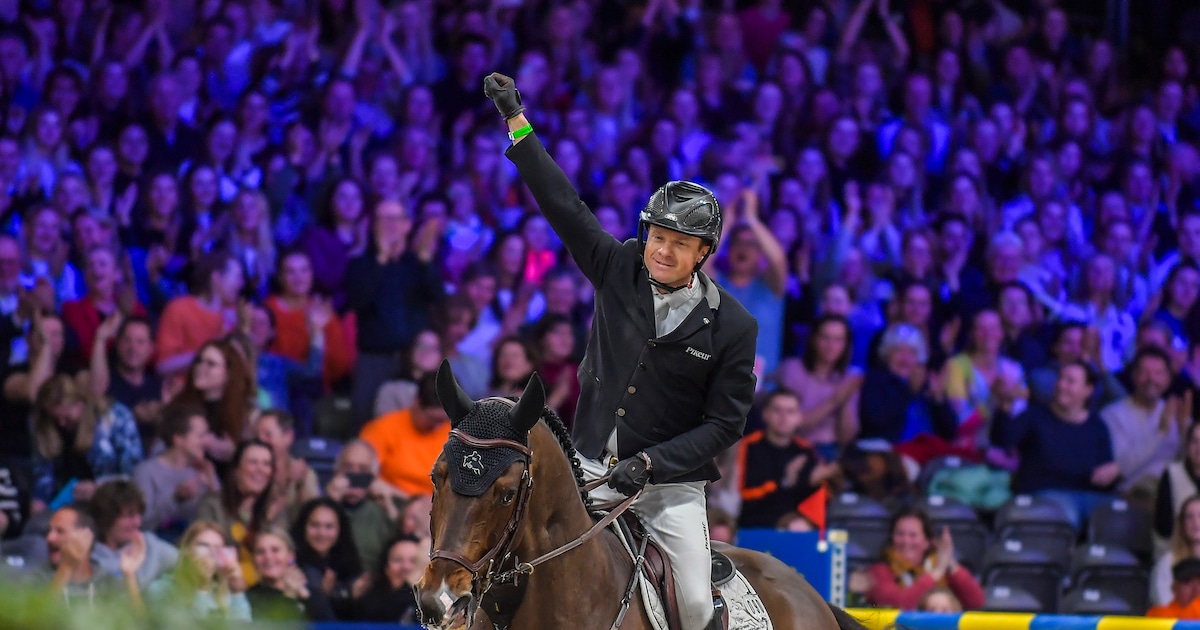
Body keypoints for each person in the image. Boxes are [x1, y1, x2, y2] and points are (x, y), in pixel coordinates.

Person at [487, 71, 759, 630]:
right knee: (500, 560)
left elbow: (725, 425)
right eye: (657, 236)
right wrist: (517, 121)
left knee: (696, 604)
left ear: (703, 252)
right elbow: (564, 206)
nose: (662, 251)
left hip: (667, 491)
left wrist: (653, 464)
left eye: (679, 244)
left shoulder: (734, 325)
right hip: (583, 468)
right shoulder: (618, 268)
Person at [736, 388, 833, 530]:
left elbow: (813, 497)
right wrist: (785, 481)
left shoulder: (805, 449)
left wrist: (820, 483)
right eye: (777, 410)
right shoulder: (749, 446)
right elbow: (745, 494)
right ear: (765, 414)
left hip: (794, 519)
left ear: (799, 417)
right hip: (755, 520)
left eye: (790, 412)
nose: (784, 417)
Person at [865, 508, 984, 610]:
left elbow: (976, 602)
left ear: (927, 542)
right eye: (900, 534)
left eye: (913, 535)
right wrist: (936, 571)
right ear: (892, 538)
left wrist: (950, 563)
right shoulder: (879, 571)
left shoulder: (939, 567)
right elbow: (898, 605)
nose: (906, 541)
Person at [132, 404, 220, 539]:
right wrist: (175, 498)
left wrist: (213, 484)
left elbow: (221, 524)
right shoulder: (146, 472)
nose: (207, 441)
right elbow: (141, 525)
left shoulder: (204, 472)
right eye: (201, 435)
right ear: (178, 439)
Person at [359, 372, 451, 499]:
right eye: (433, 419)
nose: (437, 427)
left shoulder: (455, 434)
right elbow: (362, 476)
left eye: (442, 421)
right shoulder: (383, 429)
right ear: (417, 403)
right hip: (393, 502)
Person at [145, 520, 251, 621]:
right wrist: (201, 589)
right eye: (203, 545)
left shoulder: (224, 594)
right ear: (187, 549)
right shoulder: (161, 589)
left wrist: (237, 593)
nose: (211, 553)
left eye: (218, 548)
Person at [89, 480, 179, 588]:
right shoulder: (87, 555)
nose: (137, 522)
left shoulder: (151, 546)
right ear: (106, 518)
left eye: (139, 514)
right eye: (129, 516)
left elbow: (186, 564)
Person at [245, 527, 335, 621]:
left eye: (275, 550)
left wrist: (307, 598)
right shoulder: (248, 599)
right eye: (260, 552)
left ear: (290, 556)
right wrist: (289, 595)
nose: (268, 556)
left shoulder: (311, 594)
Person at [351, 534, 421, 623]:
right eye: (398, 560)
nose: (406, 567)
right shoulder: (370, 603)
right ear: (386, 568)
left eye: (414, 561)